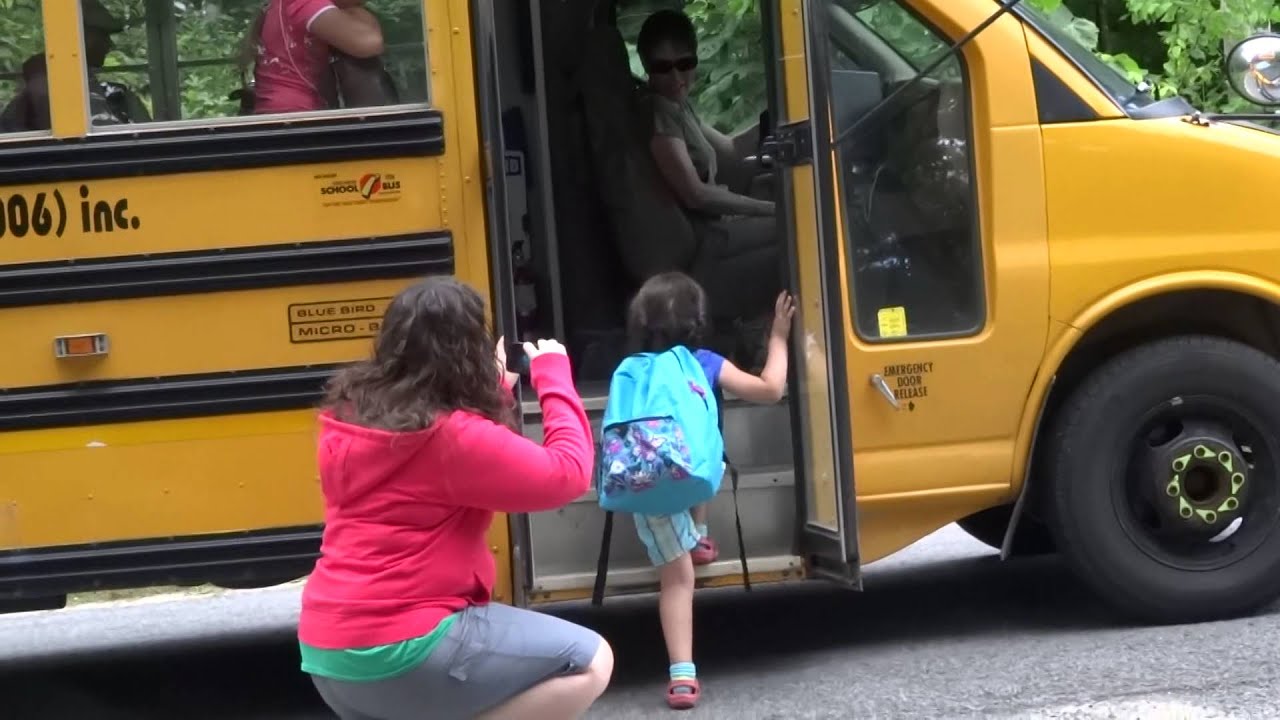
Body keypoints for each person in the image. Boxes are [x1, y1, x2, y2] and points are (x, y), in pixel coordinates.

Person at [298, 276, 613, 720]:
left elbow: (446, 467)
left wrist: (494, 392)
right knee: (590, 660)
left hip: (328, 651)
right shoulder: (452, 438)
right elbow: (567, 474)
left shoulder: (348, 420)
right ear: (469, 350)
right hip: (407, 646)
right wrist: (555, 377)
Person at [623, 271, 794, 710]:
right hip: (697, 475)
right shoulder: (706, 362)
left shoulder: (631, 368)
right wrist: (778, 335)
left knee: (674, 579)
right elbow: (771, 389)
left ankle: (683, 676)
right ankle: (697, 535)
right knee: (711, 456)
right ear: (699, 322)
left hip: (646, 484)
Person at [637, 10, 783, 334]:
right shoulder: (658, 114)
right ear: (647, 67)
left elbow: (728, 150)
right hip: (705, 241)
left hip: (715, 228)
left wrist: (779, 118)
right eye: (662, 67)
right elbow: (695, 194)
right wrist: (772, 209)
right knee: (798, 230)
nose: (676, 77)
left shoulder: (677, 104)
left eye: (685, 63)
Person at [0, 0, 150, 132]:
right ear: (81, 35)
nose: (110, 44)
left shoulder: (116, 95)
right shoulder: (43, 94)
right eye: (103, 35)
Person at [250, 0, 387, 114]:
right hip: (297, 114)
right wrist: (356, 10)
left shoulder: (282, 5)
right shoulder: (307, 3)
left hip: (282, 112)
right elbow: (369, 42)